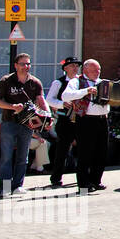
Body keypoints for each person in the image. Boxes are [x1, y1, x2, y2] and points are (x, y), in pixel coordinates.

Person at [0, 53, 50, 197]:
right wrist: (12, 106)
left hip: (28, 124)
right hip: (9, 123)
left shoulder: (34, 82)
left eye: (28, 64)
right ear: (16, 65)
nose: (26, 67)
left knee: (23, 157)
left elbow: (41, 100)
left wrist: (48, 116)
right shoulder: (6, 81)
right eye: (23, 64)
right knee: (6, 156)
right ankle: (4, 188)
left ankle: (17, 186)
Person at [61, 59, 113, 193]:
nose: (97, 73)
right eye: (94, 70)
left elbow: (117, 98)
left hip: (102, 120)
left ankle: (96, 180)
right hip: (85, 120)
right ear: (85, 71)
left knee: (101, 152)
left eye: (99, 70)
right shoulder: (76, 82)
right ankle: (84, 184)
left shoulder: (103, 83)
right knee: (85, 153)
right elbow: (65, 96)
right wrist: (86, 91)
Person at [45, 56, 81, 187]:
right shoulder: (58, 83)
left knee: (84, 149)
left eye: (77, 65)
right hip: (65, 120)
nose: (75, 68)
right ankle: (56, 178)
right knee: (62, 150)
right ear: (65, 68)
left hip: (81, 119)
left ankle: (83, 177)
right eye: (72, 65)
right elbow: (49, 99)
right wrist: (62, 104)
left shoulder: (81, 81)